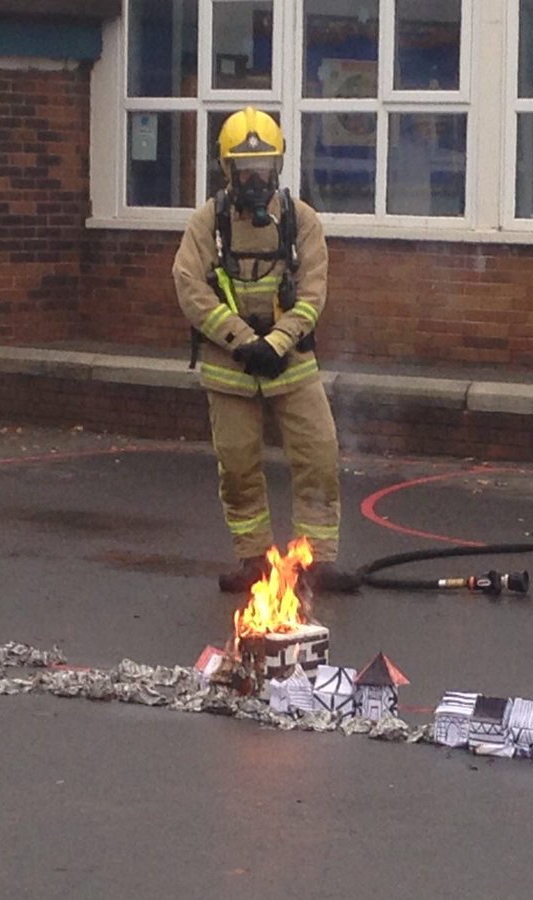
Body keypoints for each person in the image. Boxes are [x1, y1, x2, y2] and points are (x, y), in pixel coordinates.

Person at [173, 107, 359, 595]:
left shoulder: (302, 222)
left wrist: (276, 343)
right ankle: (254, 561)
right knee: (237, 468)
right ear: (227, 169)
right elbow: (190, 287)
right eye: (245, 167)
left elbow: (314, 293)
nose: (256, 177)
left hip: (292, 365)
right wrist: (241, 341)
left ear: (278, 166)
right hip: (229, 369)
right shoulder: (207, 224)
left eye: (265, 166)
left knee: (318, 456)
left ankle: (315, 562)